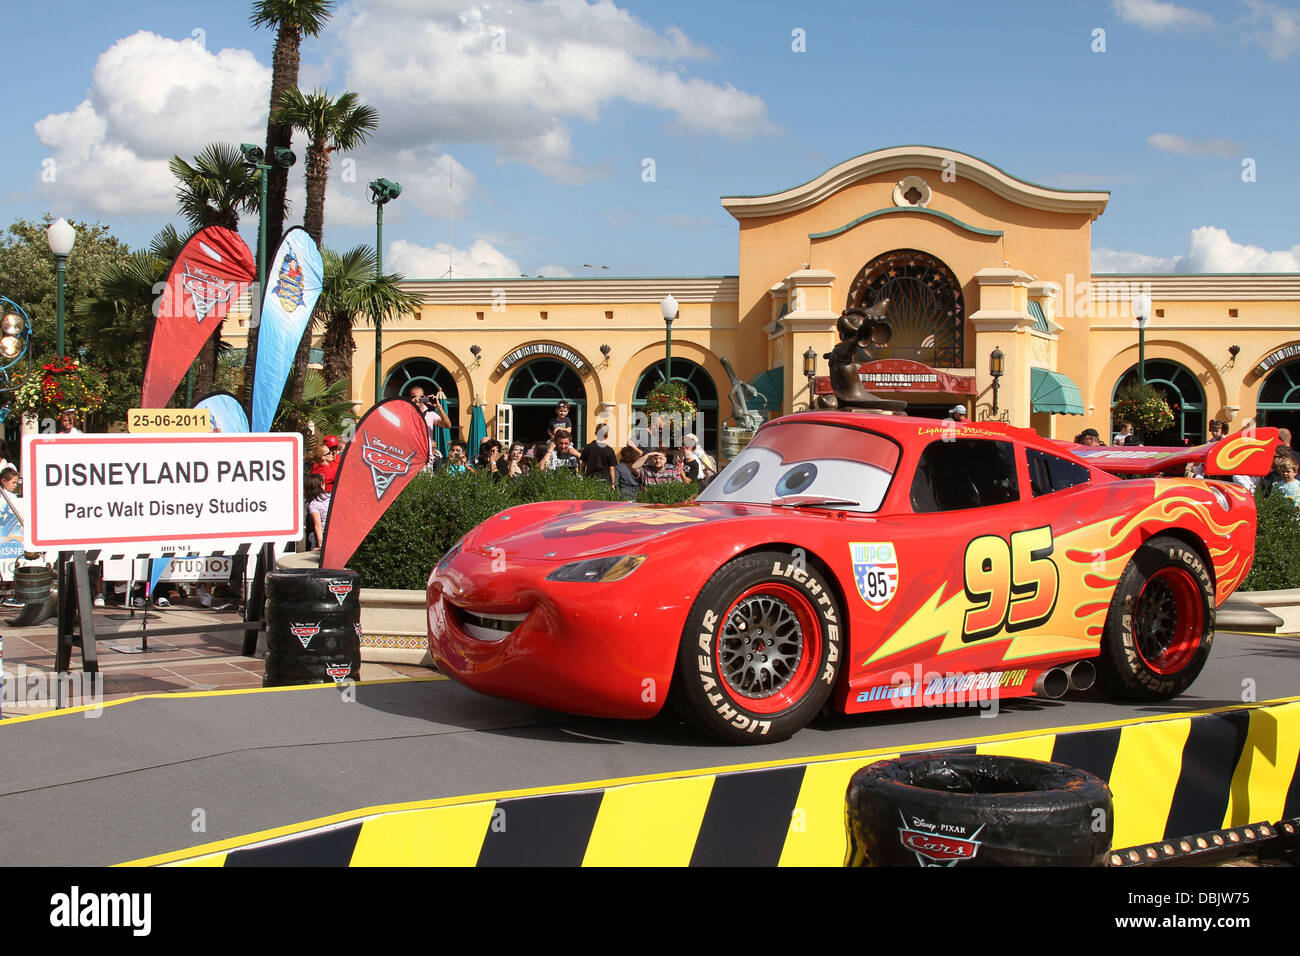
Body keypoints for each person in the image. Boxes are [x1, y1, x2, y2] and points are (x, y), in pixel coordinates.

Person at [407, 384, 451, 470]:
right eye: (414, 397)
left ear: (424, 398)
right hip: (410, 457)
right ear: (410, 399)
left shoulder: (430, 415)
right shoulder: (406, 414)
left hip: (426, 458)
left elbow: (447, 424)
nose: (418, 399)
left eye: (421, 397)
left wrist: (439, 407)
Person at [305, 472, 329, 550]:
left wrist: (320, 545)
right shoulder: (331, 497)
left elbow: (318, 526)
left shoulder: (314, 504)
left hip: (324, 534)